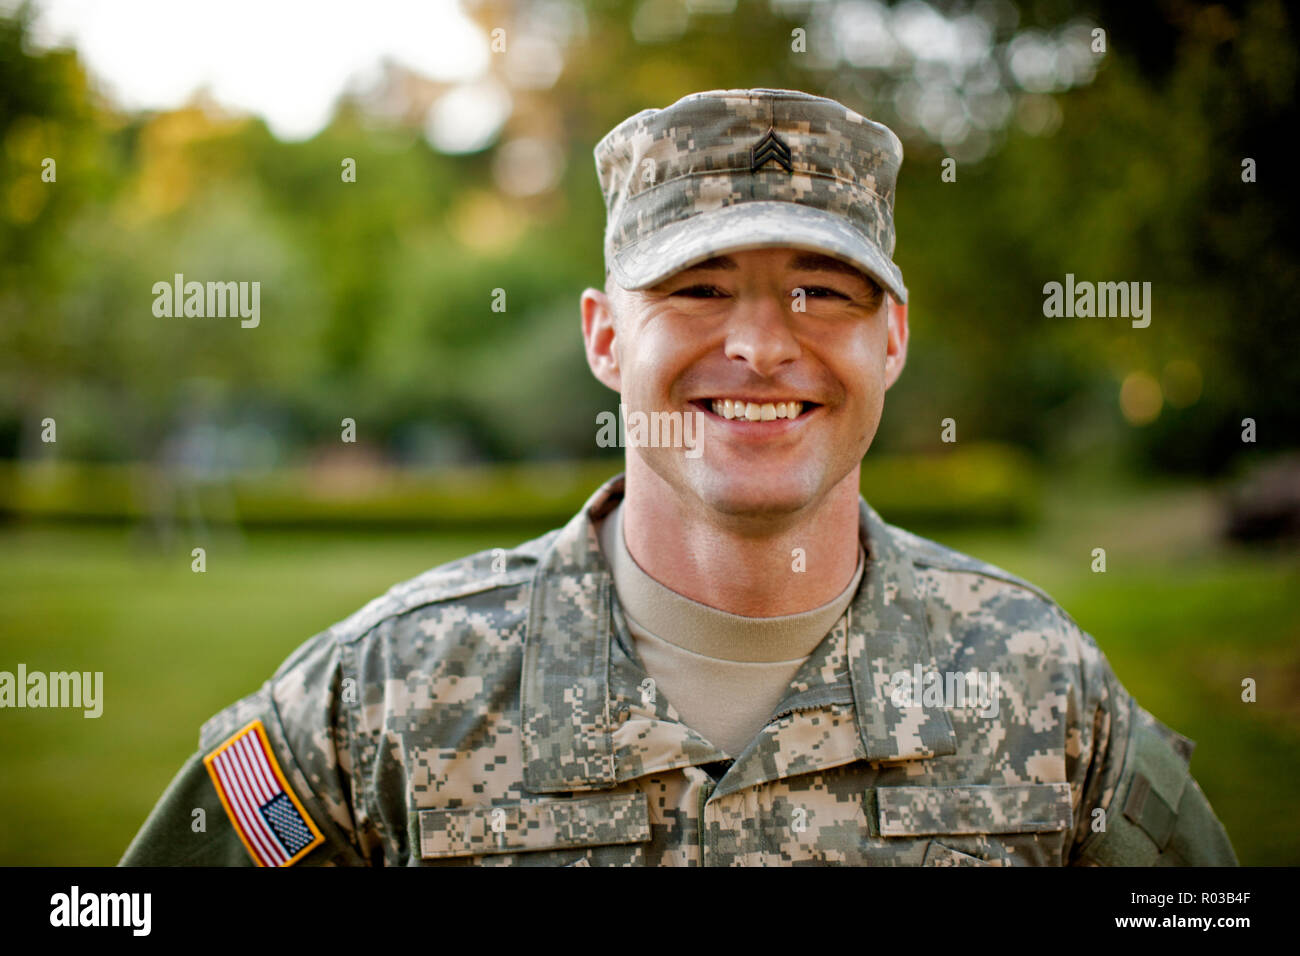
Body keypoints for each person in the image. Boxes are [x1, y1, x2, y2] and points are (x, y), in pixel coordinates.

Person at [120, 88, 1237, 866]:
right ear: (606, 338)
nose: (759, 343)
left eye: (822, 291)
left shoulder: (1046, 689)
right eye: (698, 288)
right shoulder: (378, 702)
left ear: (891, 339)